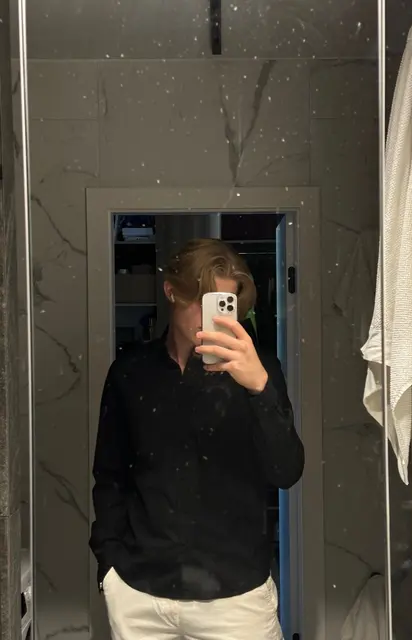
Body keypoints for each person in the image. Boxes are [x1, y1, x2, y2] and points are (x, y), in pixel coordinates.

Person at [90, 238, 304, 640]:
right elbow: (110, 475)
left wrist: (260, 388)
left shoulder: (258, 369)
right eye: (206, 303)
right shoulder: (131, 372)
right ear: (172, 291)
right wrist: (109, 568)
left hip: (236, 599)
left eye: (226, 305)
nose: (216, 318)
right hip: (139, 596)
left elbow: (286, 470)